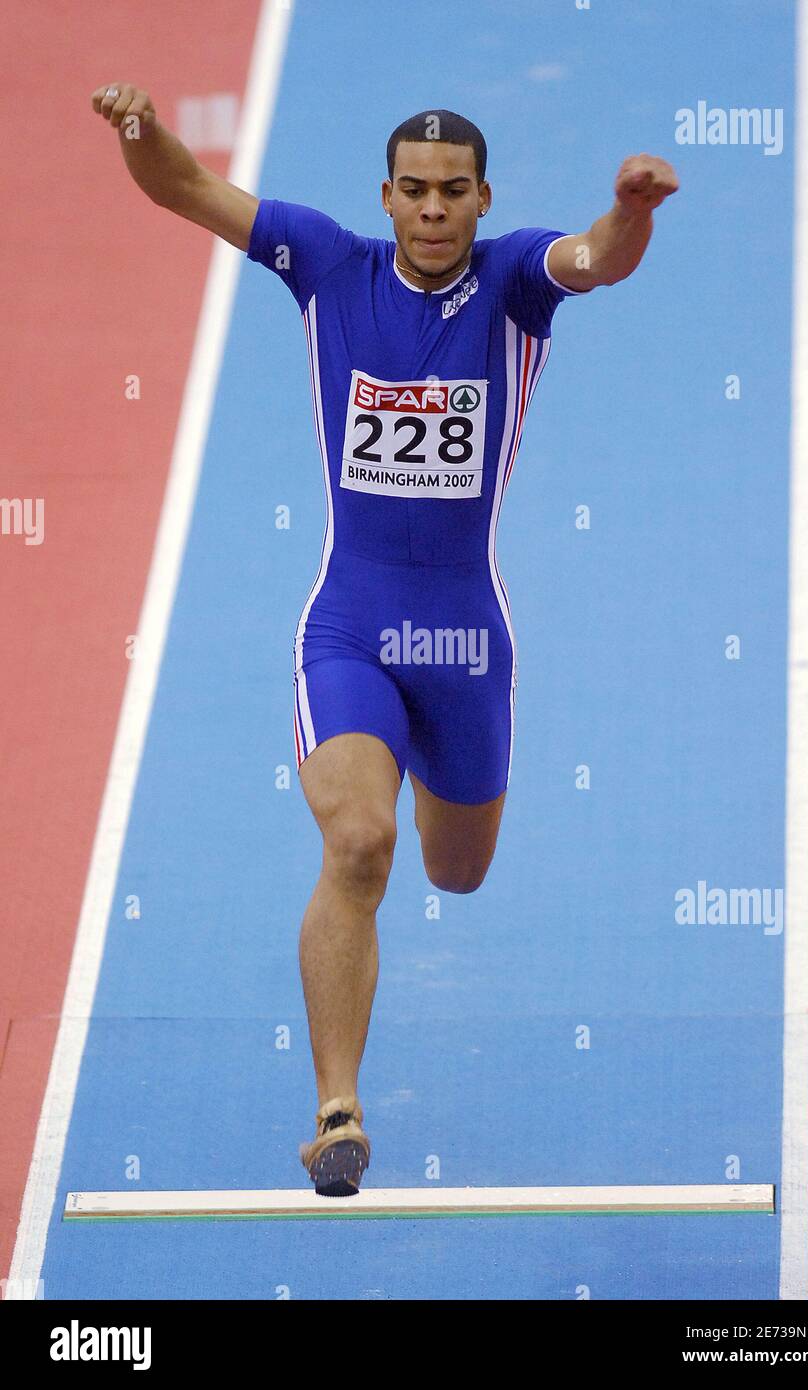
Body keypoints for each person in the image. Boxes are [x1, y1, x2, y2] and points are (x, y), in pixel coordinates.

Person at [91, 87, 679, 1195]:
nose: (432, 209)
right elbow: (185, 186)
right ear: (387, 196)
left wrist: (629, 208)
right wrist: (138, 128)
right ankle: (338, 1109)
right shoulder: (324, 262)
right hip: (352, 625)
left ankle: (430, 791)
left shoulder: (510, 281)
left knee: (456, 874)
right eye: (414, 189)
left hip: (464, 645)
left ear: (482, 199)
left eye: (454, 191)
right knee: (360, 842)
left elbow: (597, 259)